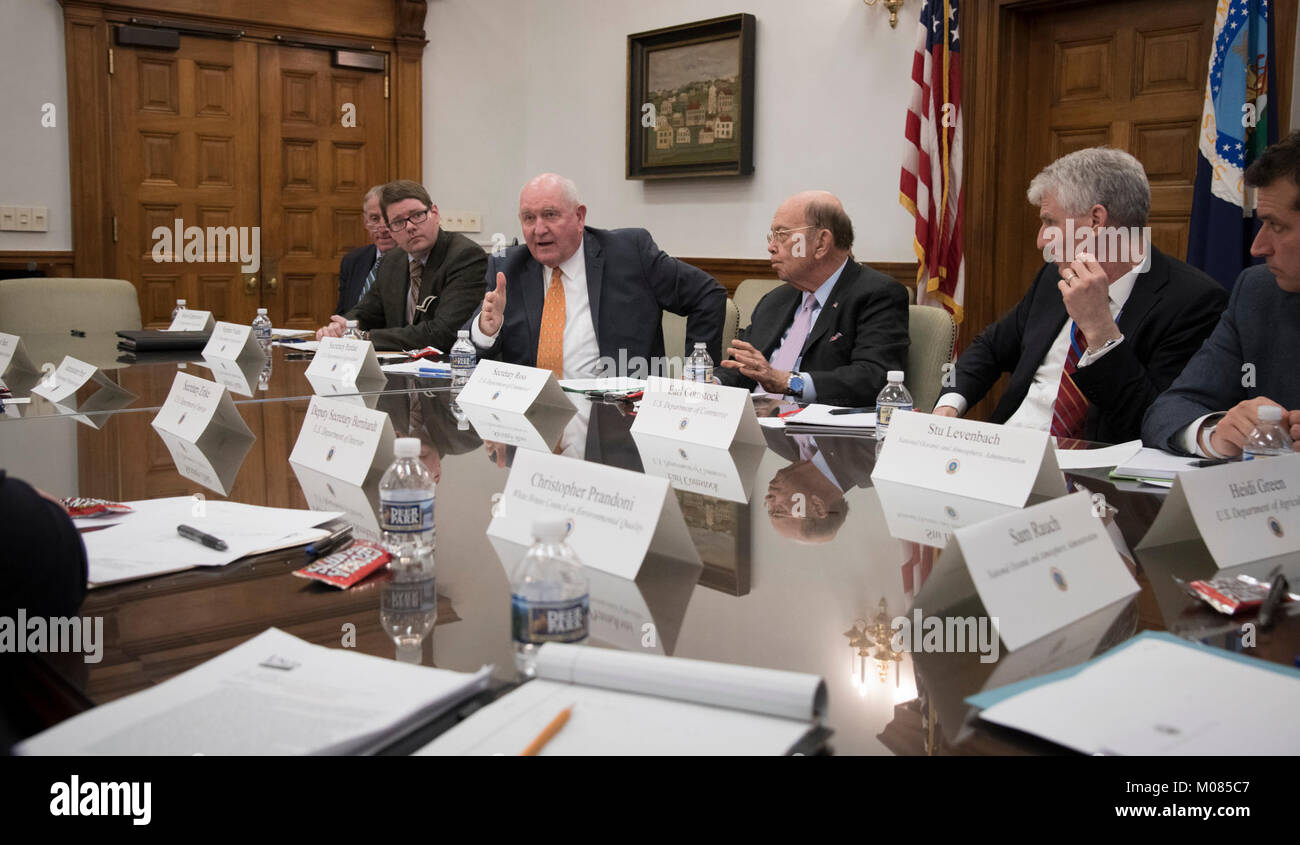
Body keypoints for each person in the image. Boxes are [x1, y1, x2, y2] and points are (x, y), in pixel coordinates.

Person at [933, 147, 1227, 444]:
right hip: (1008, 449)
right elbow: (991, 348)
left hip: (1094, 471)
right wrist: (949, 405)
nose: (1040, 240)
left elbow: (1153, 422)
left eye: (1050, 222)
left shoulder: (1193, 301)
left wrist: (1100, 330)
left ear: (1096, 221)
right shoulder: (1055, 276)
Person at [471, 173, 725, 377]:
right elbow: (466, 353)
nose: (539, 229)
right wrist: (486, 329)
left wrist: (696, 375)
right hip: (533, 417)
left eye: (550, 215)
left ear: (579, 216)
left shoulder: (629, 253)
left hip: (616, 417)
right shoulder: (507, 267)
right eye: (529, 218)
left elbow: (707, 295)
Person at [1143, 130, 1300, 456]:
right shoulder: (1257, 292)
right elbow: (1171, 408)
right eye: (1262, 224)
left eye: (1278, 226)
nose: (1258, 247)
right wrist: (1217, 433)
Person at [716, 191, 909, 406]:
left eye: (782, 234)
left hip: (820, 433)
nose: (771, 247)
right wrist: (711, 383)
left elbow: (872, 377)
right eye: (772, 236)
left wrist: (789, 382)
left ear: (821, 243)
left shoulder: (876, 294)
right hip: (756, 421)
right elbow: (744, 369)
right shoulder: (774, 300)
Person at [316, 180, 487, 351]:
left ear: (434, 213)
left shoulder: (465, 256)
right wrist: (342, 328)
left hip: (446, 368)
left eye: (417, 215)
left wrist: (364, 337)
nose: (411, 227)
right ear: (390, 230)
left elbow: (443, 333)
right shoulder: (392, 261)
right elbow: (367, 311)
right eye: (398, 222)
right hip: (399, 367)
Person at [334, 185, 398, 314]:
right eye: (374, 219)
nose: (382, 228)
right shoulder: (353, 260)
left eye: (389, 219)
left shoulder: (415, 263)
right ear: (365, 222)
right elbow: (343, 313)